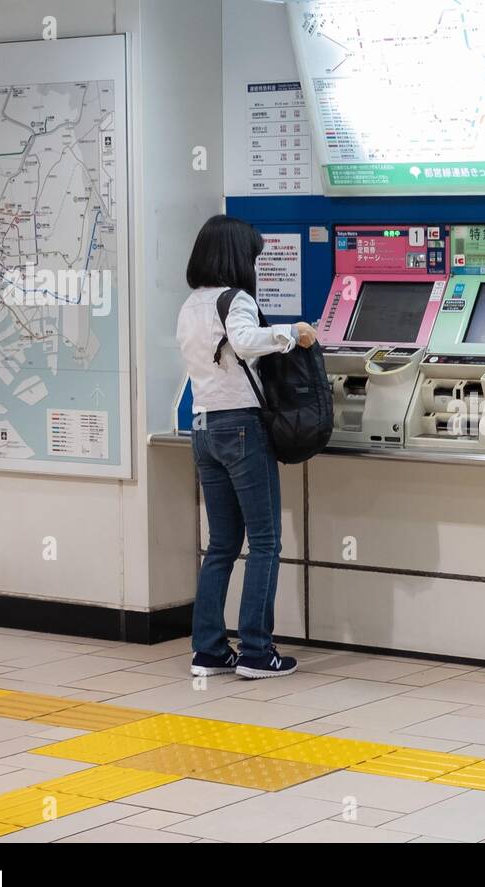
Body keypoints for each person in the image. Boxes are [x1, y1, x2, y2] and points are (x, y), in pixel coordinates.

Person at [177, 215, 317, 679]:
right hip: (240, 429)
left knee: (221, 545)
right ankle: (257, 651)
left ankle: (209, 650)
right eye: (253, 255)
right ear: (238, 255)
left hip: (204, 430)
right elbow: (243, 341)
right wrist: (290, 333)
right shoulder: (234, 299)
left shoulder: (191, 305)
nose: (255, 264)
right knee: (264, 542)